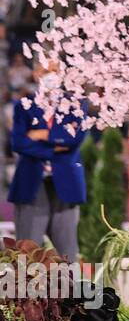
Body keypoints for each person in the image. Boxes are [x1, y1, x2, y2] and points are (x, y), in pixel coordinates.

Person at [9, 61, 88, 260]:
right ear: (36, 74)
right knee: (27, 252)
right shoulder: (23, 106)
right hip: (31, 182)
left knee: (67, 252)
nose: (51, 75)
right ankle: (26, 291)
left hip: (66, 182)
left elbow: (73, 139)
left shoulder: (76, 105)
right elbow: (18, 143)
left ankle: (70, 291)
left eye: (55, 71)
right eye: (46, 71)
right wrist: (56, 147)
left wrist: (41, 135)